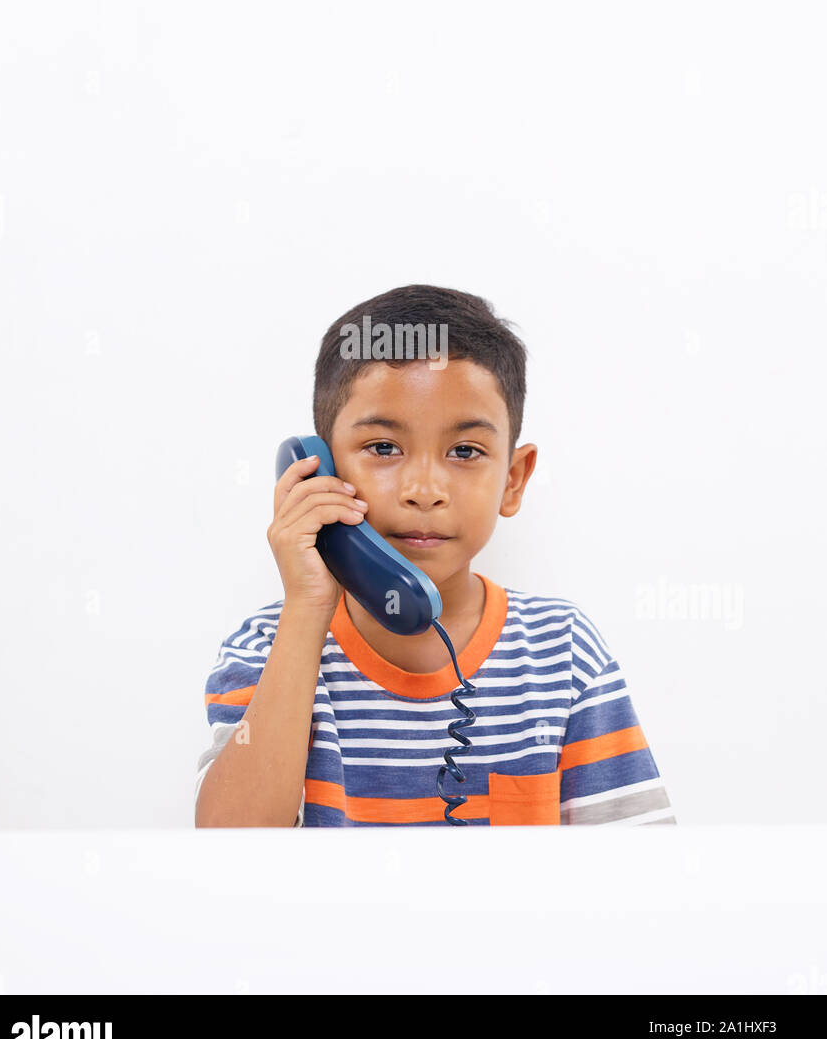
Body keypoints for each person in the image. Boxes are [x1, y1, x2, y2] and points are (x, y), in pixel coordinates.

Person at [194, 284, 676, 828]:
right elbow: (226, 851)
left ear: (513, 480)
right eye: (383, 448)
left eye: (465, 451)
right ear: (318, 471)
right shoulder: (267, 647)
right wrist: (306, 607)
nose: (424, 489)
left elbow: (644, 870)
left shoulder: (562, 652)